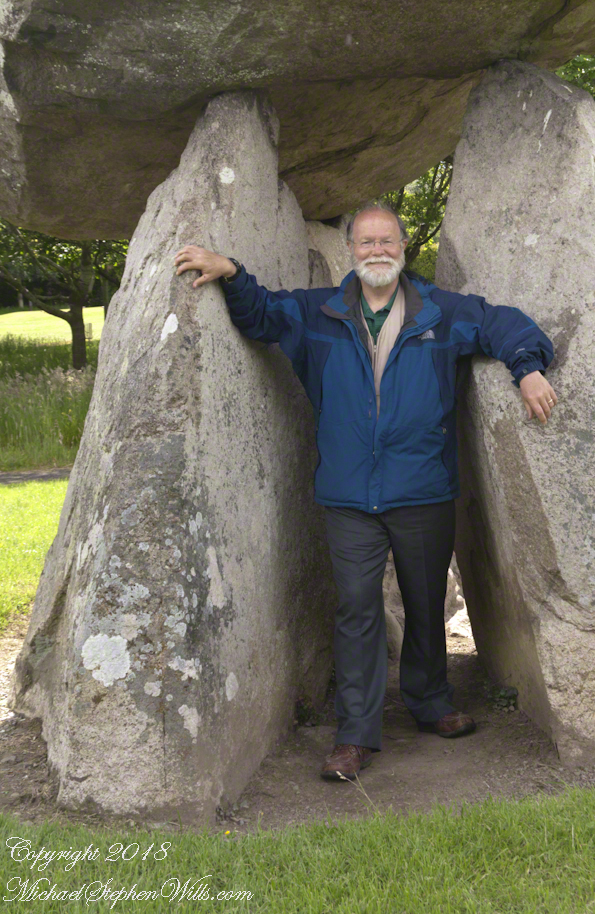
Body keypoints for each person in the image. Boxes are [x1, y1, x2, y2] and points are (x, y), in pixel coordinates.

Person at [174, 203, 556, 782]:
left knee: (426, 603)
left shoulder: (442, 313)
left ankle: (430, 702)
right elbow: (260, 318)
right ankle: (356, 735)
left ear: (403, 246)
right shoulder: (317, 312)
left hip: (423, 489)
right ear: (351, 249)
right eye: (366, 242)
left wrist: (527, 367)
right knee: (357, 610)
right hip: (348, 496)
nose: (377, 250)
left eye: (387, 241)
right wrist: (231, 271)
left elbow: (505, 323)